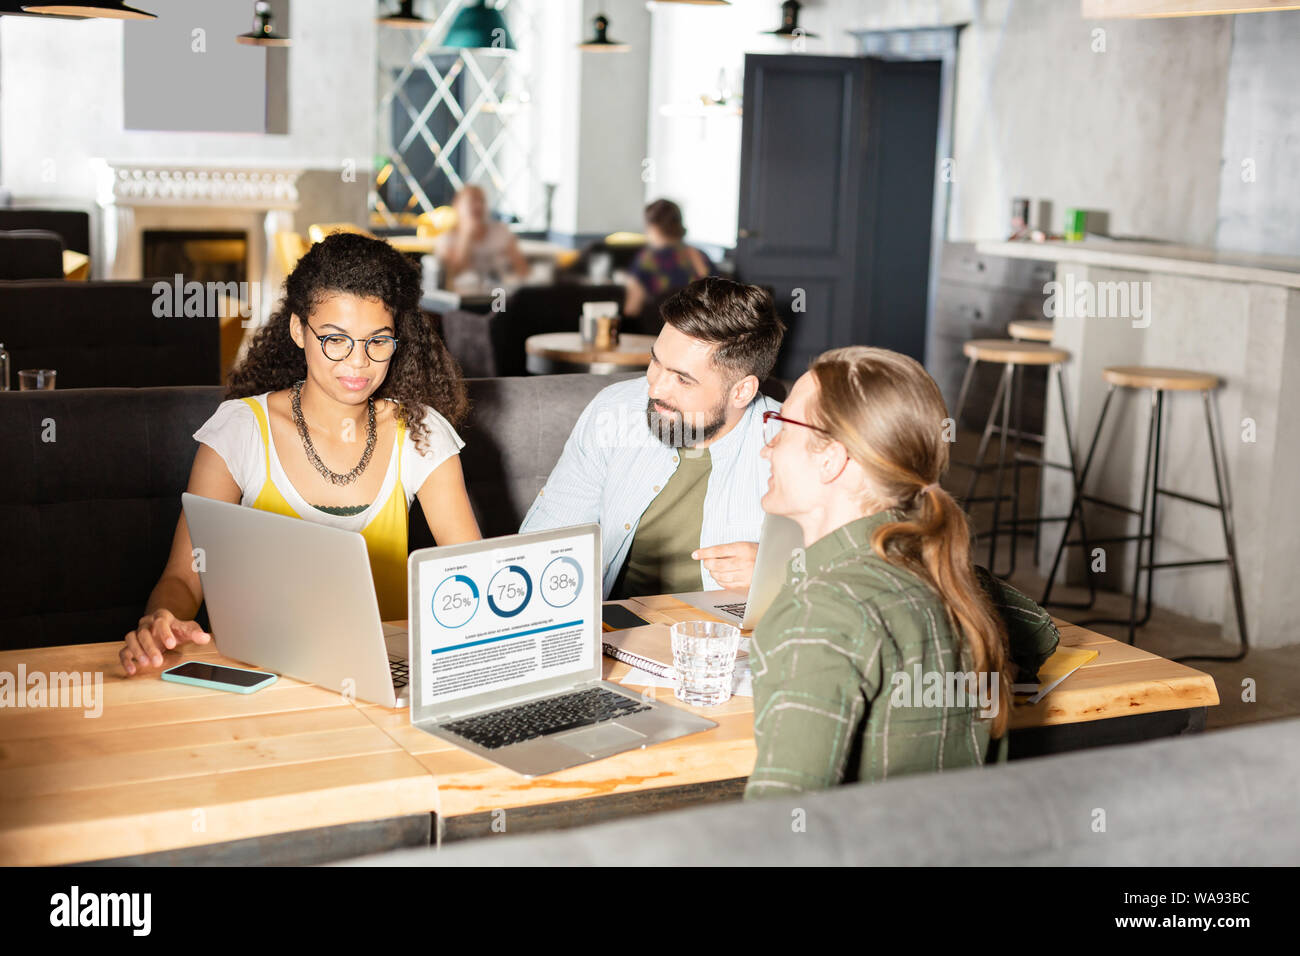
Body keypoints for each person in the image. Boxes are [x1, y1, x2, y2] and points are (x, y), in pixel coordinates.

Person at [119, 233, 481, 675]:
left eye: (377, 341)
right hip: (261, 672)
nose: (358, 362)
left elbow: (470, 571)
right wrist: (163, 620)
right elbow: (183, 577)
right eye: (335, 339)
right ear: (298, 330)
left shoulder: (421, 433)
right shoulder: (239, 431)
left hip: (385, 678)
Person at [745, 346, 1060, 798]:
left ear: (831, 458)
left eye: (779, 426)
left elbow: (781, 822)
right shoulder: (948, 575)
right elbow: (1042, 634)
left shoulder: (823, 609)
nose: (766, 447)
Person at [521, 277, 785, 600]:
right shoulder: (614, 411)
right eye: (655, 362)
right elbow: (545, 542)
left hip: (727, 641)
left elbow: (855, 567)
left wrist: (781, 569)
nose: (655, 388)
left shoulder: (790, 441)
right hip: (616, 634)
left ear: (742, 391)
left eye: (682, 380)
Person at [623, 199, 714, 318]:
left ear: (653, 227)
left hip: (658, 332)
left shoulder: (646, 261)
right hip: (697, 329)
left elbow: (631, 309)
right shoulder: (699, 256)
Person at [434, 184, 528, 289]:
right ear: (457, 205)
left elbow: (522, 269)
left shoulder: (501, 231)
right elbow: (452, 275)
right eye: (472, 201)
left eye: (482, 201)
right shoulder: (445, 240)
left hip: (503, 293)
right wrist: (466, 236)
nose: (478, 206)